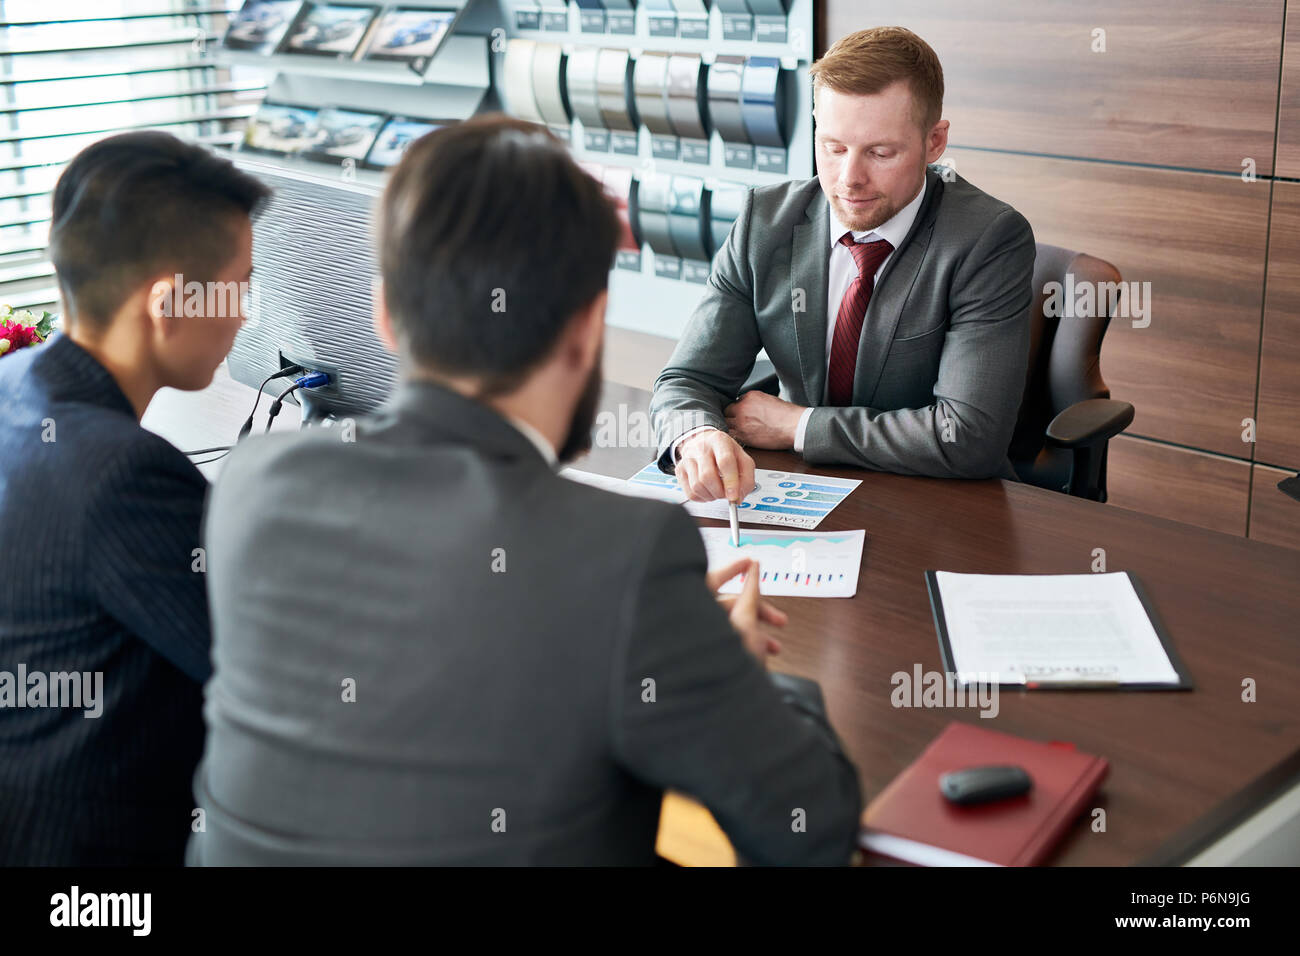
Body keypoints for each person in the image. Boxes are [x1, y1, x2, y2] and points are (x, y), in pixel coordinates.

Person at [191, 114, 862, 866]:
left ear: (383, 314)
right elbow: (809, 829)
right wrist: (732, 672)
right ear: (589, 327)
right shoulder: (628, 556)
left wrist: (664, 640)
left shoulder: (247, 486)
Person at [0, 131, 269, 864]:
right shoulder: (122, 476)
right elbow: (262, 678)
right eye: (239, 288)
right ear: (168, 302)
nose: (244, 316)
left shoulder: (16, 386)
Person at [651, 26, 1036, 504]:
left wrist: (799, 424)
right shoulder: (763, 223)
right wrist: (697, 437)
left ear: (935, 141)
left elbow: (969, 437)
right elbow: (687, 381)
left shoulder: (988, 239)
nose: (849, 179)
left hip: (936, 507)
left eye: (880, 152)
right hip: (797, 493)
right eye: (832, 148)